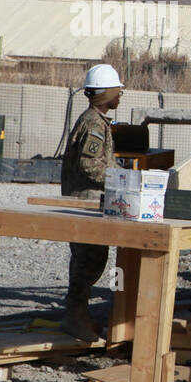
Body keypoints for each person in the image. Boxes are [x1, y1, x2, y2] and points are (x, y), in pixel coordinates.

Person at [59, 64, 122, 342]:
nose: (120, 96)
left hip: (89, 202)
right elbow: (89, 165)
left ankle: (79, 315)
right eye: (118, 91)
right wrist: (120, 182)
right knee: (88, 261)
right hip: (87, 203)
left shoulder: (94, 119)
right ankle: (75, 316)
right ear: (107, 94)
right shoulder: (95, 123)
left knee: (90, 260)